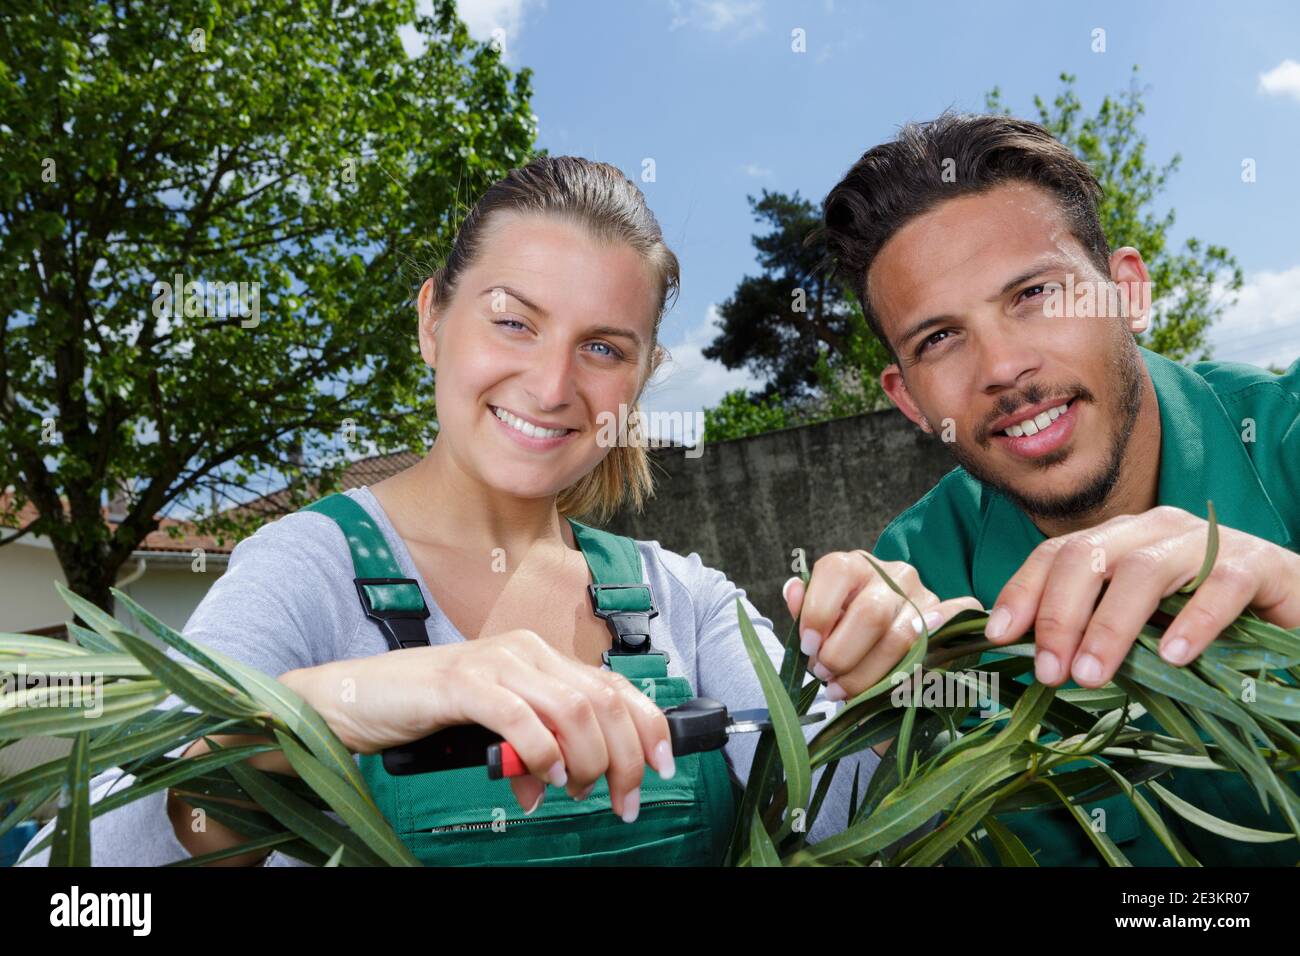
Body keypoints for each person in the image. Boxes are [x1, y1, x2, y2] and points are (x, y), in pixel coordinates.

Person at [18, 155, 876, 867]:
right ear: (433, 320)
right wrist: (315, 715)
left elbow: (850, 826)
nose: (549, 384)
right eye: (513, 322)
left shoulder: (680, 601)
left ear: (642, 376)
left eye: (603, 347)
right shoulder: (306, 570)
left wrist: (892, 681)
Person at [780, 113, 1300, 865]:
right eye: (939, 338)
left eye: (1033, 294)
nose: (1002, 366)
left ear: (1127, 291)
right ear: (908, 399)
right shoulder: (918, 582)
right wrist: (863, 713)